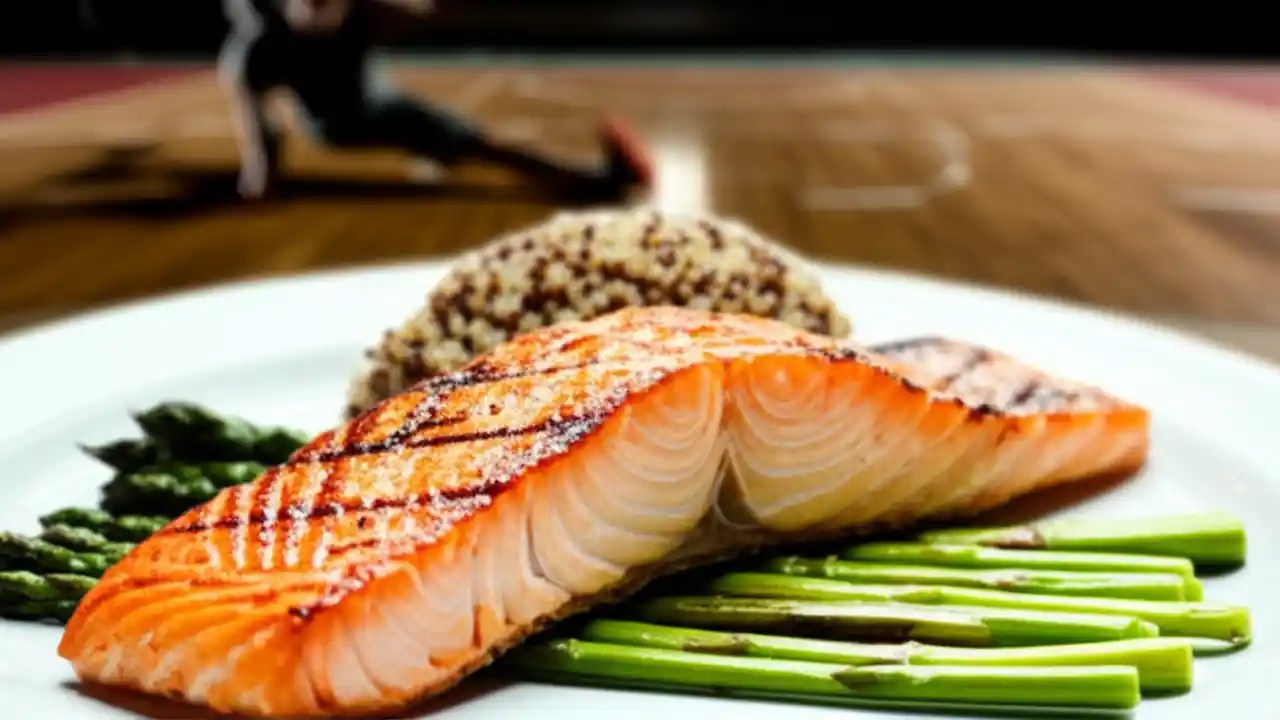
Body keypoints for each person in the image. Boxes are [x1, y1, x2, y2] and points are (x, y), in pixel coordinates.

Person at [218, 0, 653, 200]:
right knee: (482, 143)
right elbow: (258, 123)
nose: (315, 12)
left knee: (479, 143)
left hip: (378, 99)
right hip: (338, 124)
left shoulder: (376, 10)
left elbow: (426, 11)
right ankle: (596, 180)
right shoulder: (256, 51)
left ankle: (594, 179)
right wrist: (261, 172)